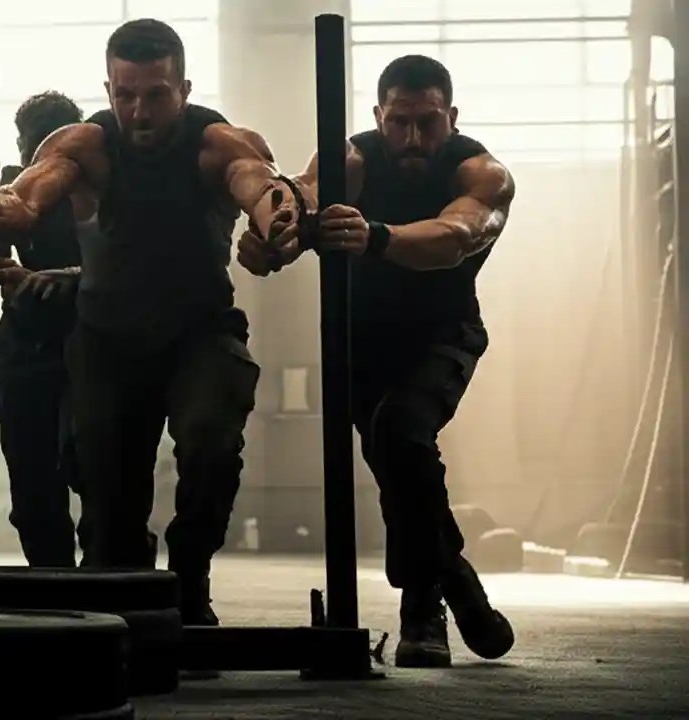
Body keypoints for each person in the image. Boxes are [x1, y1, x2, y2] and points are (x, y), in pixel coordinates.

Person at [0, 19, 297, 625]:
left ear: (182, 88)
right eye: (124, 95)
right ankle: (127, 596)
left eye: (156, 95)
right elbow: (21, 205)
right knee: (106, 504)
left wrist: (281, 225)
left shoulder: (218, 142)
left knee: (212, 447)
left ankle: (190, 577)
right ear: (107, 89)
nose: (139, 112)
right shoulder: (83, 145)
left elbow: (261, 187)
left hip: (199, 335)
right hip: (107, 343)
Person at [237, 55, 517, 668]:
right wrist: (273, 231)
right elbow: (300, 198)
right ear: (378, 117)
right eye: (399, 122)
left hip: (443, 336)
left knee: (398, 433)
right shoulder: (353, 160)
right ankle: (457, 582)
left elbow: (457, 238)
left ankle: (425, 609)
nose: (412, 138)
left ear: (452, 117)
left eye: (427, 122)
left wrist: (375, 236)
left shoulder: (481, 173)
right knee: (400, 466)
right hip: (361, 342)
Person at [0, 91, 95, 568]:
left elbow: (130, 264)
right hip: (30, 343)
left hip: (89, 340)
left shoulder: (98, 192)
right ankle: (63, 589)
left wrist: (62, 278)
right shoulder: (15, 188)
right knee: (36, 486)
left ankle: (100, 586)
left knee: (96, 475)